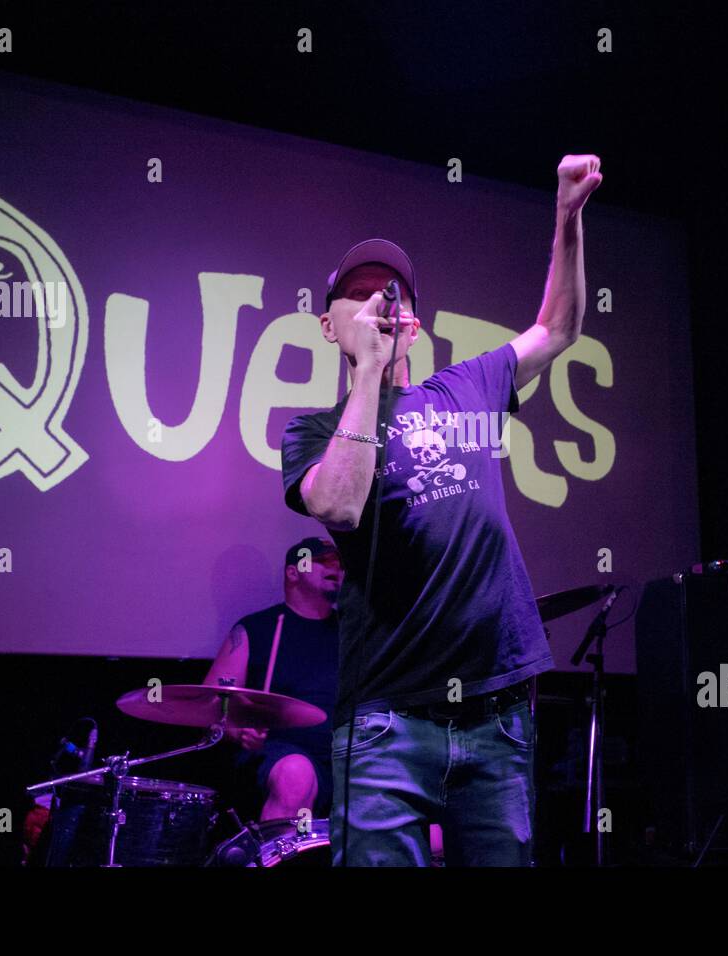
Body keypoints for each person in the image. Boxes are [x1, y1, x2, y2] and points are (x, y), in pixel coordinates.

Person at [279, 154, 604, 866]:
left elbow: (558, 328)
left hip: (498, 716)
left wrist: (567, 216)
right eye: (357, 296)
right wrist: (368, 372)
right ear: (328, 326)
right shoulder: (310, 432)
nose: (377, 302)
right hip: (388, 725)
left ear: (416, 323)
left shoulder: (465, 388)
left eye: (390, 293)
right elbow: (338, 502)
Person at [204, 536, 341, 820]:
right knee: (296, 774)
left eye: (339, 562)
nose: (335, 567)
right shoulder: (256, 629)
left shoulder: (353, 633)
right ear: (292, 572)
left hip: (346, 756)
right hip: (278, 754)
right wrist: (239, 731)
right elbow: (210, 705)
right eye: (322, 561)